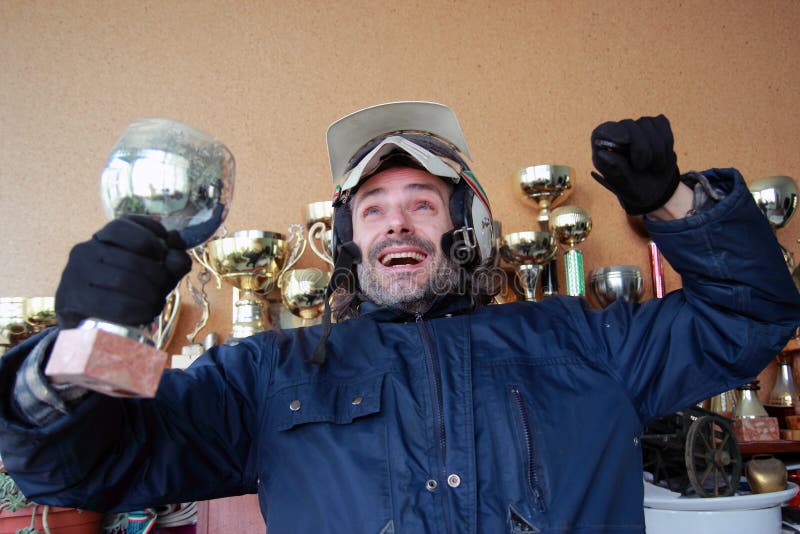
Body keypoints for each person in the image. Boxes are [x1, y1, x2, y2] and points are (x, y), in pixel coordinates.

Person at [0, 101, 798, 534]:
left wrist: (673, 201)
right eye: (374, 209)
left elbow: (751, 314)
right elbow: (77, 470)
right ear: (350, 242)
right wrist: (84, 345)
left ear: (469, 230)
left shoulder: (583, 340)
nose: (397, 223)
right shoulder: (269, 376)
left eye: (421, 202)